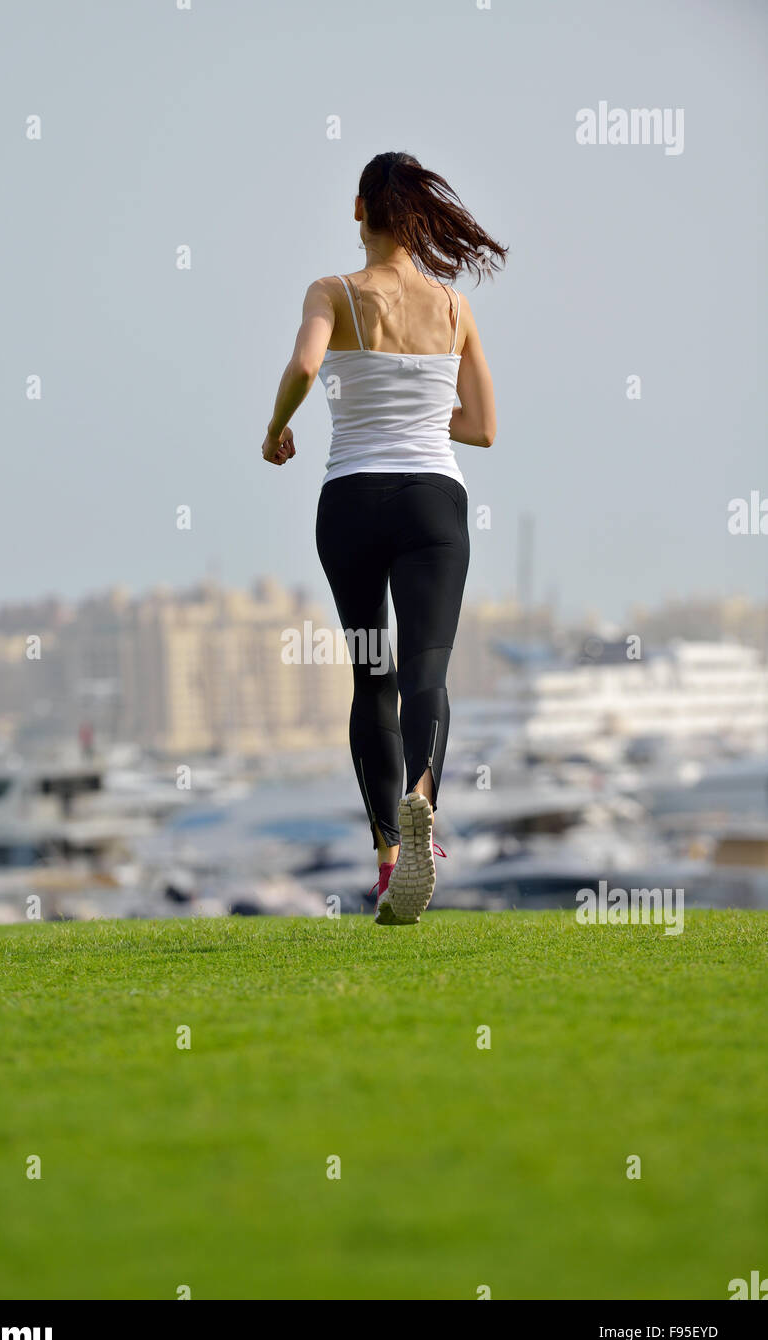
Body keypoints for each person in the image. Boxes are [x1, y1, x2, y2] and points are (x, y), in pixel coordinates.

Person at [262, 151, 506, 924]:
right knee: (425, 672)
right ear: (417, 219)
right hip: (433, 501)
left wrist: (277, 428)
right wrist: (421, 417)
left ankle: (387, 862)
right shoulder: (452, 308)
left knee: (372, 673)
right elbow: (483, 428)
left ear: (359, 211)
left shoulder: (331, 291)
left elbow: (305, 363)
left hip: (350, 500)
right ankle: (422, 799)